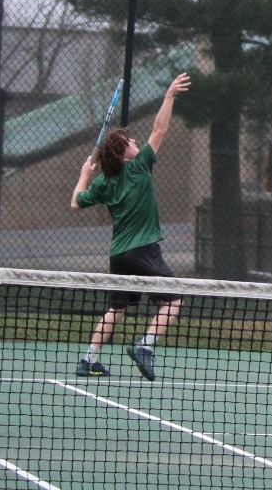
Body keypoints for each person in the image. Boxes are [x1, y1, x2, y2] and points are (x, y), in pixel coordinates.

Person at [68, 72, 191, 381]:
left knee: (118, 308)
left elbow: (76, 202)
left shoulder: (103, 183)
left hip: (119, 255)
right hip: (143, 251)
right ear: (124, 153)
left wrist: (84, 173)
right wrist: (169, 96)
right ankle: (145, 346)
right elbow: (160, 128)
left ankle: (89, 359)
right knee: (174, 299)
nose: (136, 141)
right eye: (130, 142)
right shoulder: (139, 167)